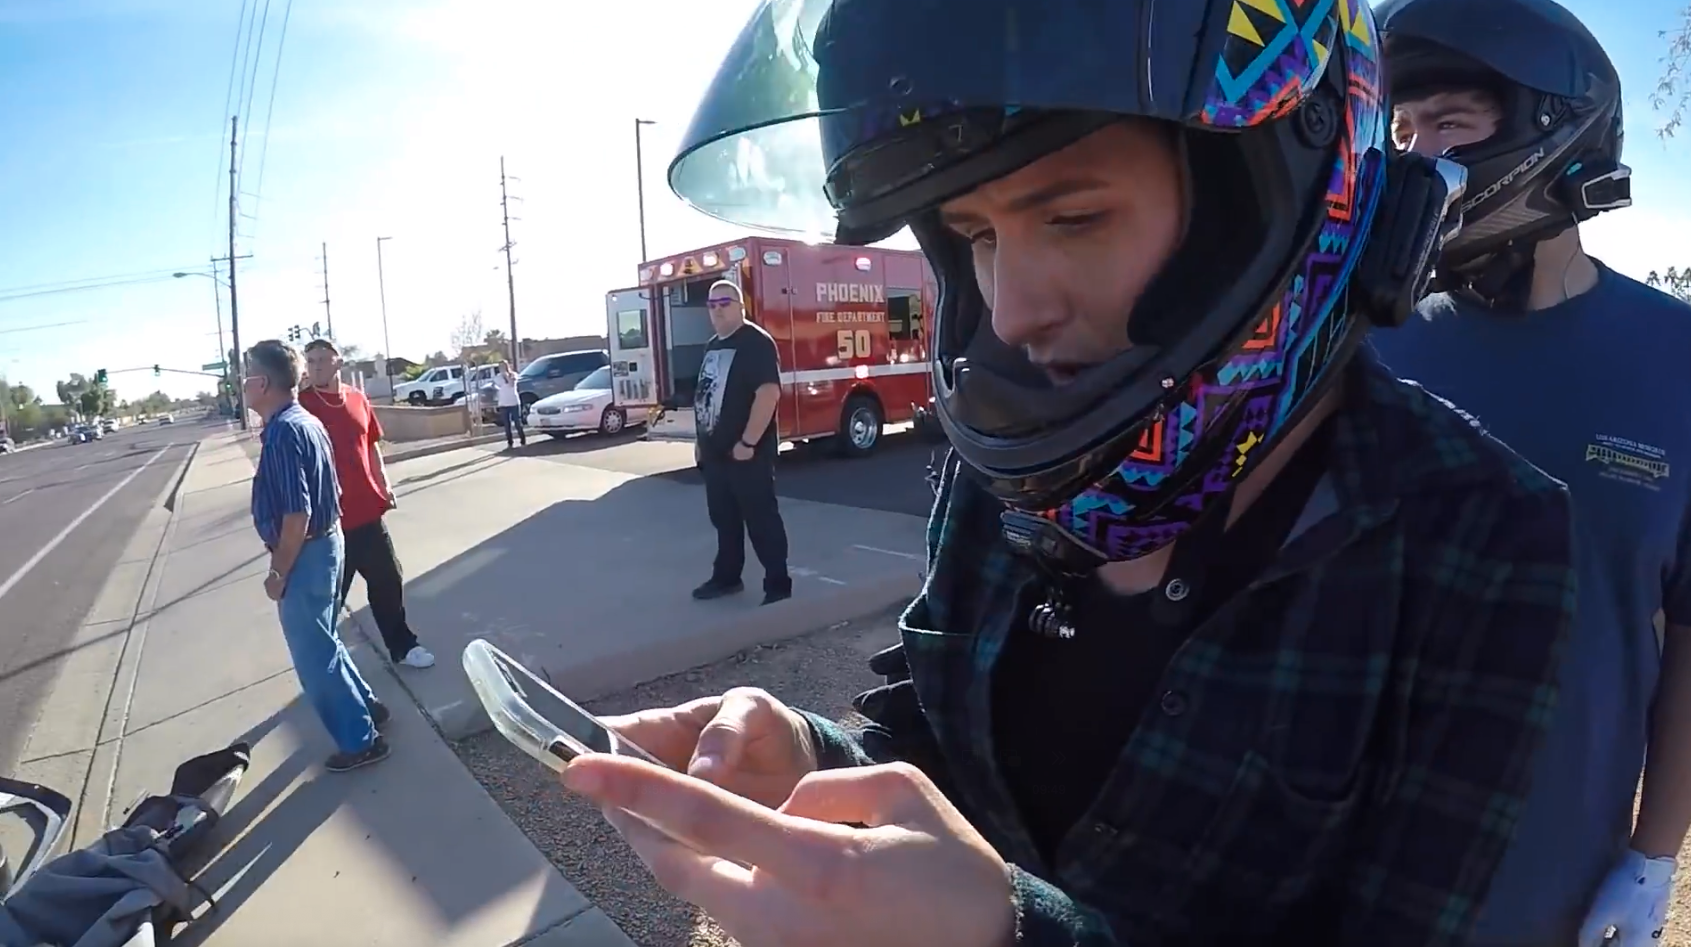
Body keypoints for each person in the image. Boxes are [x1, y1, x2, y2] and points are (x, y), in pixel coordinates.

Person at [557, 1, 1580, 944]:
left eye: (1072, 217)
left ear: (1271, 198)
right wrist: (809, 758)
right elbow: (930, 743)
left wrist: (1010, 933)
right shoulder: (1001, 466)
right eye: (972, 237)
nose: (1008, 312)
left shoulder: (1483, 535)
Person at [1371, 1, 1691, 944]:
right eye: (1400, 129)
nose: (1415, 154)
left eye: (1452, 123)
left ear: (1561, 130)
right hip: (1337, 868)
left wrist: (1654, 855)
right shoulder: (1358, 345)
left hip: (1551, 884)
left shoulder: (1676, 357)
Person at [244, 339, 391, 772]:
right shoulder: (303, 420)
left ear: (263, 382)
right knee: (326, 642)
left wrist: (278, 572)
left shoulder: (287, 430)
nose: (243, 385)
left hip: (305, 555)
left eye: (247, 375)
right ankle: (367, 705)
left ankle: (361, 741)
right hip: (327, 546)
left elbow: (297, 515)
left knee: (314, 658)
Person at [298, 339, 436, 671]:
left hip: (367, 513)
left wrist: (383, 483)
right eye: (310, 360)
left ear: (338, 362)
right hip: (327, 523)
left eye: (322, 360)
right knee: (329, 600)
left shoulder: (358, 399)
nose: (315, 366)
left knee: (388, 579)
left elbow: (371, 445)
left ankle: (402, 646)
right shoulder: (301, 406)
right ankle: (321, 664)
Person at [689, 279, 791, 606]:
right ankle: (727, 578)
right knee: (724, 520)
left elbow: (768, 393)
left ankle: (778, 584)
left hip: (748, 454)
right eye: (712, 304)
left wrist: (748, 442)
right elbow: (707, 395)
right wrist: (700, 441)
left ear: (740, 306)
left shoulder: (756, 343)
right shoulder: (713, 345)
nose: (718, 310)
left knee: (761, 519)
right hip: (715, 454)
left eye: (725, 303)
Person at [491, 360, 525, 449]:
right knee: (507, 424)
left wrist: (506, 375)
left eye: (503, 366)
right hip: (503, 403)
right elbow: (496, 387)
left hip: (513, 402)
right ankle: (510, 442)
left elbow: (511, 384)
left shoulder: (513, 375)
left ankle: (522, 439)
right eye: (500, 367)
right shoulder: (497, 377)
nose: (502, 368)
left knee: (517, 422)